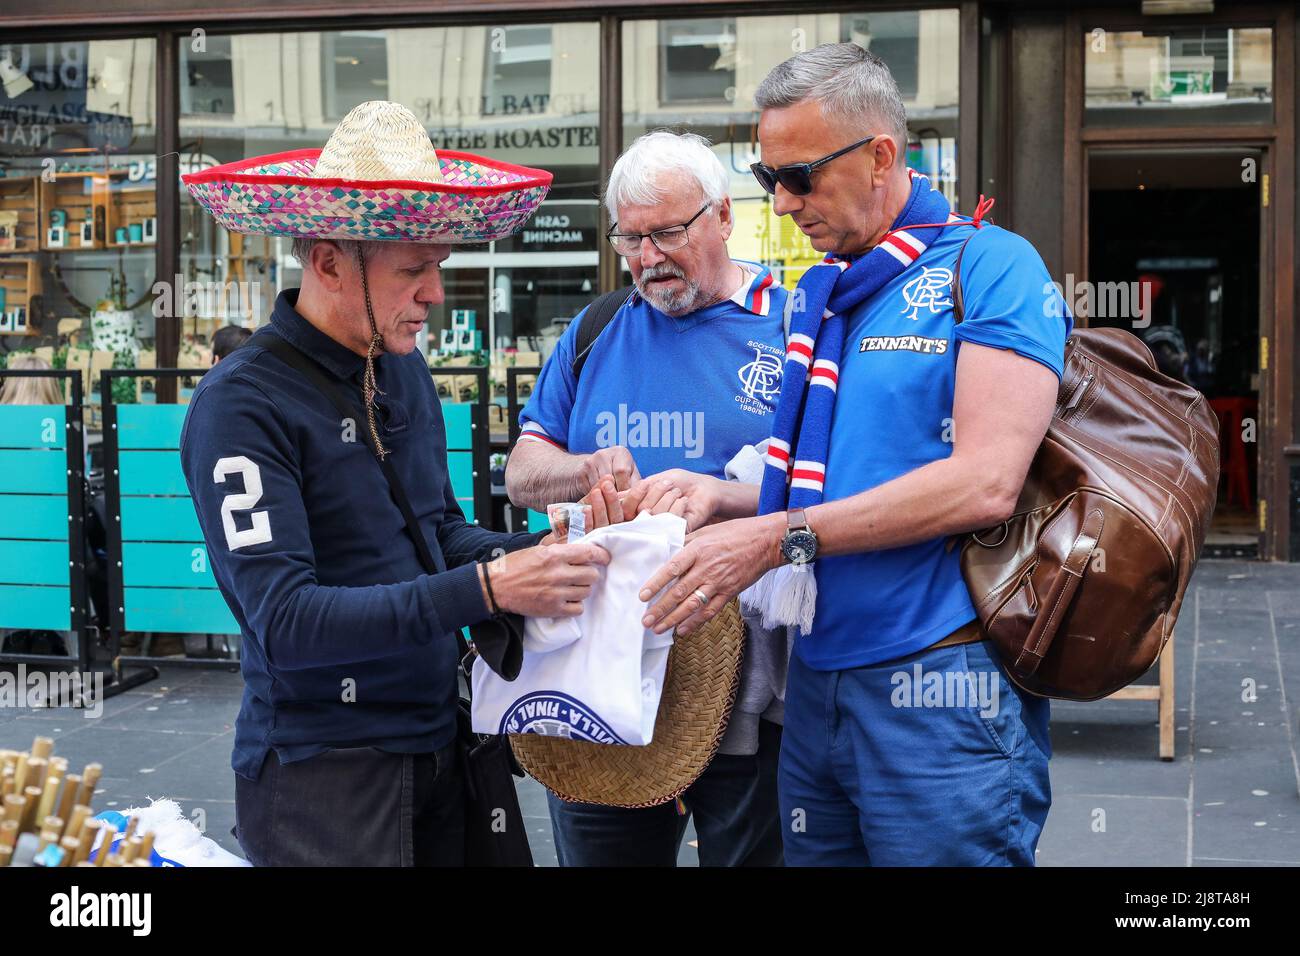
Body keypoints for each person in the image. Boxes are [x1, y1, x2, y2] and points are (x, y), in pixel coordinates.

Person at [630, 43, 1070, 866]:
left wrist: (775, 537)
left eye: (799, 175)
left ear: (880, 156)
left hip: (939, 684)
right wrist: (722, 496)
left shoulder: (993, 266)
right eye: (768, 180)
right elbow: (838, 457)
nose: (785, 201)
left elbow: (985, 482)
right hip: (817, 684)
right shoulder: (827, 290)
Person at [179, 101, 614, 866]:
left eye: (437, 267)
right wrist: (490, 588)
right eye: (414, 270)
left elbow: (436, 533)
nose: (435, 294)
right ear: (328, 261)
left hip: (446, 740)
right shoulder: (240, 405)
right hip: (325, 772)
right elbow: (285, 620)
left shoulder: (403, 372)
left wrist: (555, 543)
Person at [505, 130, 788, 867]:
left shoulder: (792, 326)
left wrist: (723, 496)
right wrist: (586, 469)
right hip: (600, 670)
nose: (647, 257)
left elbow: (832, 486)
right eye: (630, 238)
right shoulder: (595, 331)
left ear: (724, 216)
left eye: (667, 232)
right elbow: (522, 471)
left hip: (743, 681)